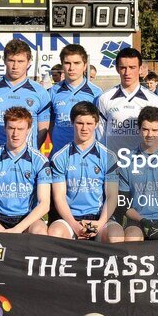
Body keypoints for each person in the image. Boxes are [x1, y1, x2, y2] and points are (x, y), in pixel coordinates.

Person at [0, 107, 51, 234]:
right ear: (4, 128)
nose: (15, 133)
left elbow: (44, 203)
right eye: (11, 128)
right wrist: (1, 230)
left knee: (40, 231)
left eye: (20, 129)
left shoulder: (40, 161)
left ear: (29, 130)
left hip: (27, 219)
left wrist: (18, 229)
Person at [48, 102, 122, 241]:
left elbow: (112, 196)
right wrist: (75, 225)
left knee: (115, 235)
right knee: (55, 232)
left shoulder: (109, 156)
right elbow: (59, 197)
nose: (84, 128)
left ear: (96, 124)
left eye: (89, 123)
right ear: (72, 123)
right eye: (80, 123)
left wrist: (99, 224)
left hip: (99, 218)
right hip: (70, 218)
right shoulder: (59, 157)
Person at [117, 106, 158, 242]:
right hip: (137, 220)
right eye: (145, 129)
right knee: (131, 237)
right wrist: (142, 221)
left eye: (155, 130)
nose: (150, 134)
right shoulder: (126, 160)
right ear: (138, 129)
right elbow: (123, 203)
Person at [0, 39, 51, 153]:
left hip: (28, 158)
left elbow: (42, 131)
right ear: (4, 60)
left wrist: (28, 150)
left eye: (20, 61)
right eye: (11, 60)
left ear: (29, 62)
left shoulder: (40, 92)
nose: (15, 66)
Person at [95, 47, 158, 155]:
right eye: (123, 67)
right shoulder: (104, 98)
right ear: (117, 69)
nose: (127, 72)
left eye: (132, 67)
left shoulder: (154, 100)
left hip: (143, 164)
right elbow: (100, 137)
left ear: (140, 69)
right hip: (113, 166)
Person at [48, 44, 103, 156]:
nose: (71, 68)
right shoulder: (52, 92)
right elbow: (49, 124)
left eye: (77, 63)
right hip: (59, 156)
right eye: (67, 63)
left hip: (86, 157)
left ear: (84, 66)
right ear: (62, 65)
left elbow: (99, 127)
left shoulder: (97, 93)